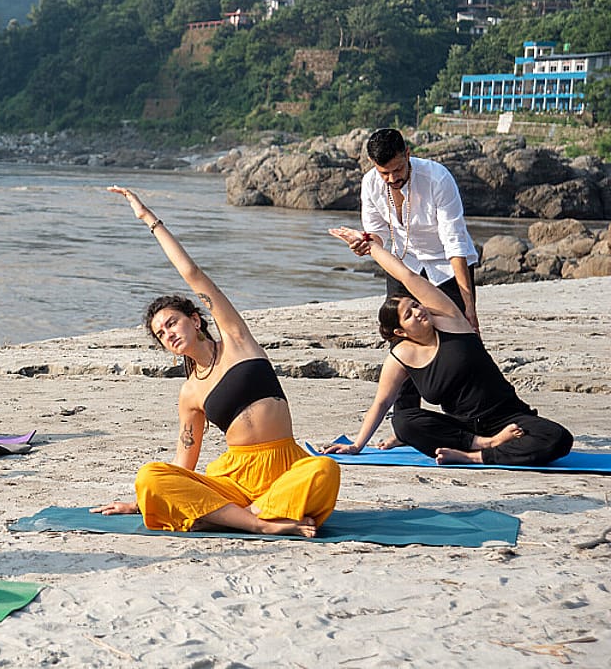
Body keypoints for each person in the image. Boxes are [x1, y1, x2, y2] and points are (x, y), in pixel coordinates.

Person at [91, 187, 340, 536]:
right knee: (151, 476)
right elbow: (184, 463)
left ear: (195, 319)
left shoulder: (237, 339)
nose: (169, 333)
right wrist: (140, 502)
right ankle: (259, 522)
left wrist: (149, 219)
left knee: (324, 469)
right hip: (233, 479)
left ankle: (225, 516)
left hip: (285, 467)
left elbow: (192, 273)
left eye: (172, 322)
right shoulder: (190, 393)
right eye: (161, 334)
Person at [325, 226, 573, 466]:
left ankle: (474, 456)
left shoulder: (449, 320)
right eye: (409, 314)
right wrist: (357, 445)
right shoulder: (401, 355)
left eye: (415, 305)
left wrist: (369, 246)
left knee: (558, 439)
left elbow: (406, 275)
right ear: (400, 331)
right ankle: (484, 445)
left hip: (508, 416)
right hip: (461, 429)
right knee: (403, 423)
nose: (418, 311)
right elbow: (381, 403)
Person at [359, 127, 481, 441]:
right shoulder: (372, 184)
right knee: (402, 340)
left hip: (445, 265)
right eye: (383, 171)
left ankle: (466, 420)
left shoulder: (437, 179)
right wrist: (365, 244)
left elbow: (455, 244)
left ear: (408, 153)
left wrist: (469, 307)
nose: (391, 178)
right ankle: (406, 423)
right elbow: (378, 236)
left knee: (456, 341)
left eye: (397, 170)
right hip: (404, 263)